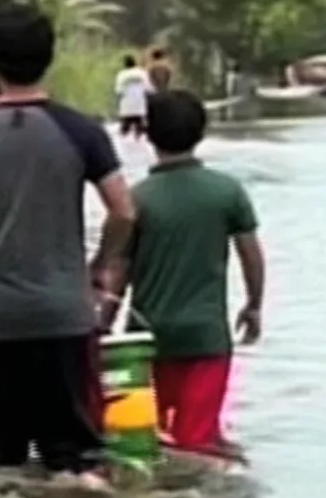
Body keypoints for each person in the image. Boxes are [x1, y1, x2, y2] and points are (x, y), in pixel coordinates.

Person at [0, 2, 136, 481]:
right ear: (49, 57)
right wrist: (98, 267)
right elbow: (125, 211)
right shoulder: (80, 130)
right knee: (76, 467)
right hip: (65, 317)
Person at [100, 89, 265, 457]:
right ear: (202, 133)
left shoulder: (137, 199)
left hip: (146, 339)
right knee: (198, 443)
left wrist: (104, 323)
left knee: (145, 443)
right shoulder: (227, 192)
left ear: (146, 134)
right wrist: (254, 305)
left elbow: (120, 270)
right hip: (205, 338)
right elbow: (251, 255)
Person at [114, 54, 151, 138]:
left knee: (125, 128)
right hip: (139, 104)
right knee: (140, 126)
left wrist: (118, 102)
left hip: (127, 105)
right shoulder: (142, 73)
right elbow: (148, 88)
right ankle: (139, 136)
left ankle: (123, 137)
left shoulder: (121, 75)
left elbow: (118, 91)